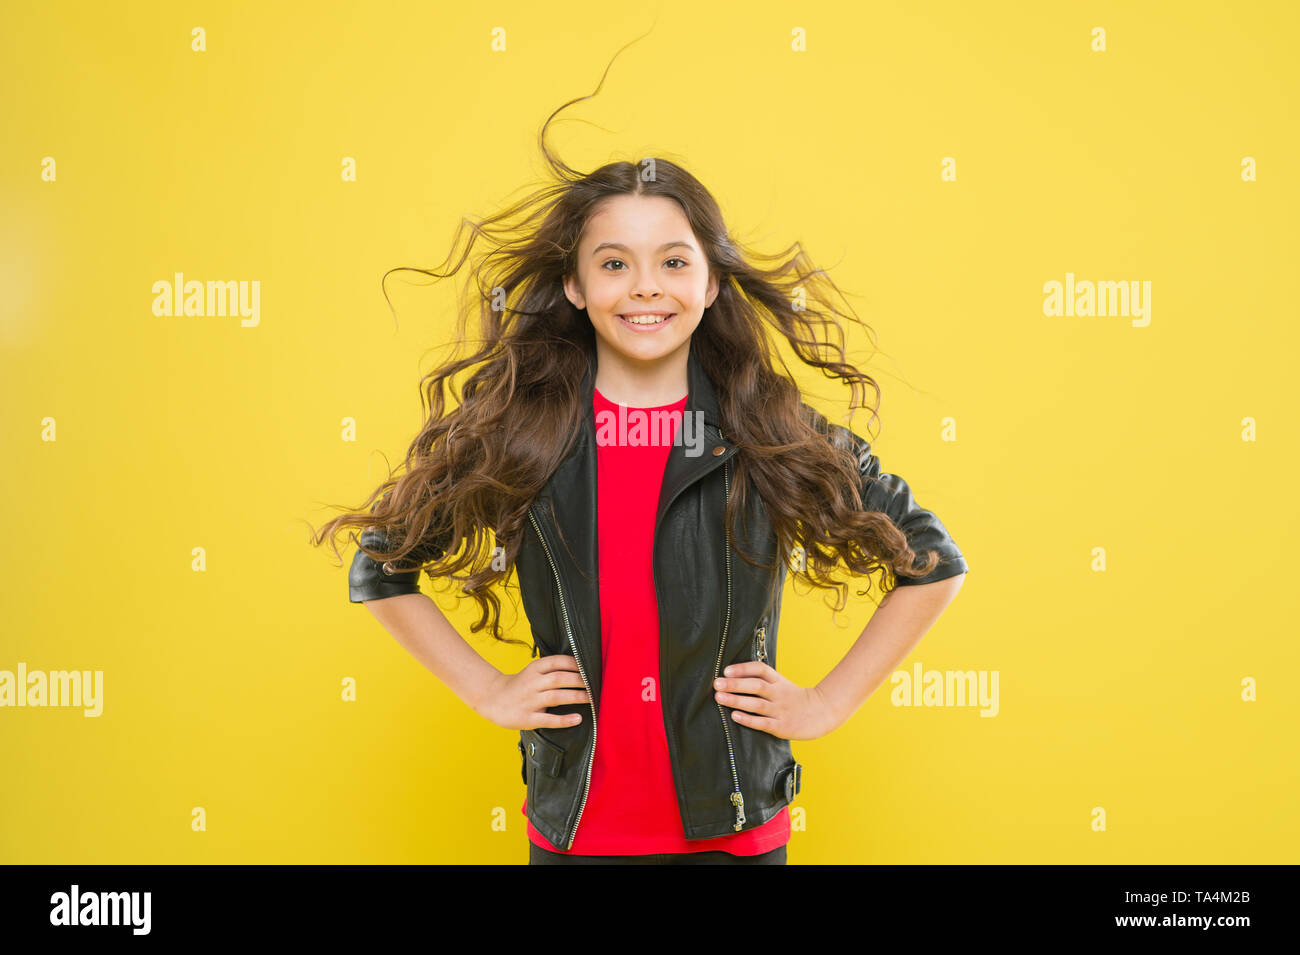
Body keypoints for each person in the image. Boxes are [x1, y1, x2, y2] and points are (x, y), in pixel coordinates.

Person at [311, 78, 969, 867]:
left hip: (736, 834)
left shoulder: (768, 429)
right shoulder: (521, 430)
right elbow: (382, 563)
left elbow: (933, 560)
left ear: (711, 281)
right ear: (575, 286)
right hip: (573, 832)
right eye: (615, 263)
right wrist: (488, 689)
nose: (646, 285)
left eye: (673, 261)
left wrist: (826, 702)